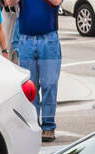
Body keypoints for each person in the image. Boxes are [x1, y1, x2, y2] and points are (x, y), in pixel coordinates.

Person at [15, 0, 61, 142]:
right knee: (30, 87)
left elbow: (56, 1)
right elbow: (9, 2)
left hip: (49, 39)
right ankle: (33, 125)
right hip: (26, 39)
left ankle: (48, 126)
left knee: (49, 84)